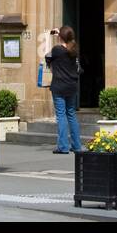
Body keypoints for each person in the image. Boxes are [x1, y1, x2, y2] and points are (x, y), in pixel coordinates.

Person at [46, 26, 83, 154]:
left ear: (60, 37)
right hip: (72, 86)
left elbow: (47, 56)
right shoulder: (74, 50)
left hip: (59, 86)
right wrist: (61, 36)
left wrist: (52, 38)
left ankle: (63, 146)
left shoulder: (57, 50)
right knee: (71, 114)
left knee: (61, 116)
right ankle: (77, 145)